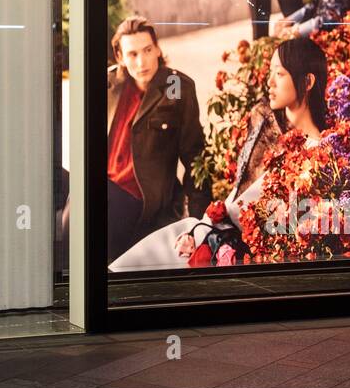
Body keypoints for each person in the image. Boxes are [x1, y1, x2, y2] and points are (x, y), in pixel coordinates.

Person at [110, 36, 329, 272]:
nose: (269, 82)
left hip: (232, 245)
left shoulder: (315, 156)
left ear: (307, 82)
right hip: (207, 227)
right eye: (271, 72)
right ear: (120, 57)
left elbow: (193, 152)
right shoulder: (264, 118)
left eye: (280, 74)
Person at [101, 16, 207, 263]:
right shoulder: (107, 84)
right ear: (120, 57)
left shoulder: (176, 85)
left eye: (148, 50)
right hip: (105, 191)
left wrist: (200, 221)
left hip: (141, 200)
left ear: (158, 48)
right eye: (132, 54)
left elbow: (195, 155)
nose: (142, 62)